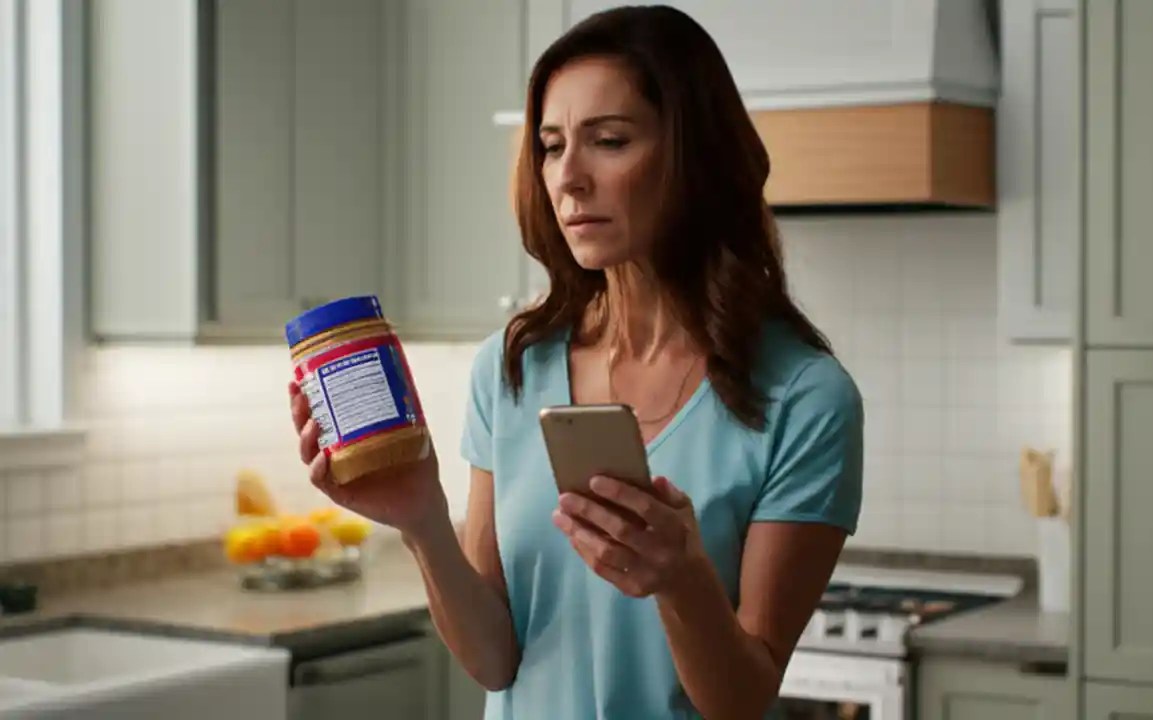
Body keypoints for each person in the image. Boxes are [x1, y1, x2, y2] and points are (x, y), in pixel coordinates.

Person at [288, 5, 863, 718]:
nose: (568, 178)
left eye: (609, 141)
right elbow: (495, 661)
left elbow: (742, 700)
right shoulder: (512, 367)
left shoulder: (805, 397)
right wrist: (423, 522)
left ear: (697, 158)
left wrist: (682, 581)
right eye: (552, 147)